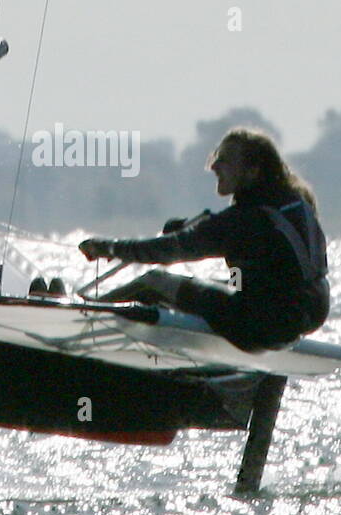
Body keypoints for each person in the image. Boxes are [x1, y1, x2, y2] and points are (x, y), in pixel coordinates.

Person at [78, 127, 328, 352]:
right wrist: (192, 228)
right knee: (216, 285)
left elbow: (169, 250)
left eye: (225, 160)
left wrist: (107, 248)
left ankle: (83, 317)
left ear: (253, 171)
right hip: (305, 316)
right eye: (216, 157)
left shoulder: (246, 219)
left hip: (264, 323)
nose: (214, 166)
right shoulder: (295, 203)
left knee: (155, 282)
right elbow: (260, 270)